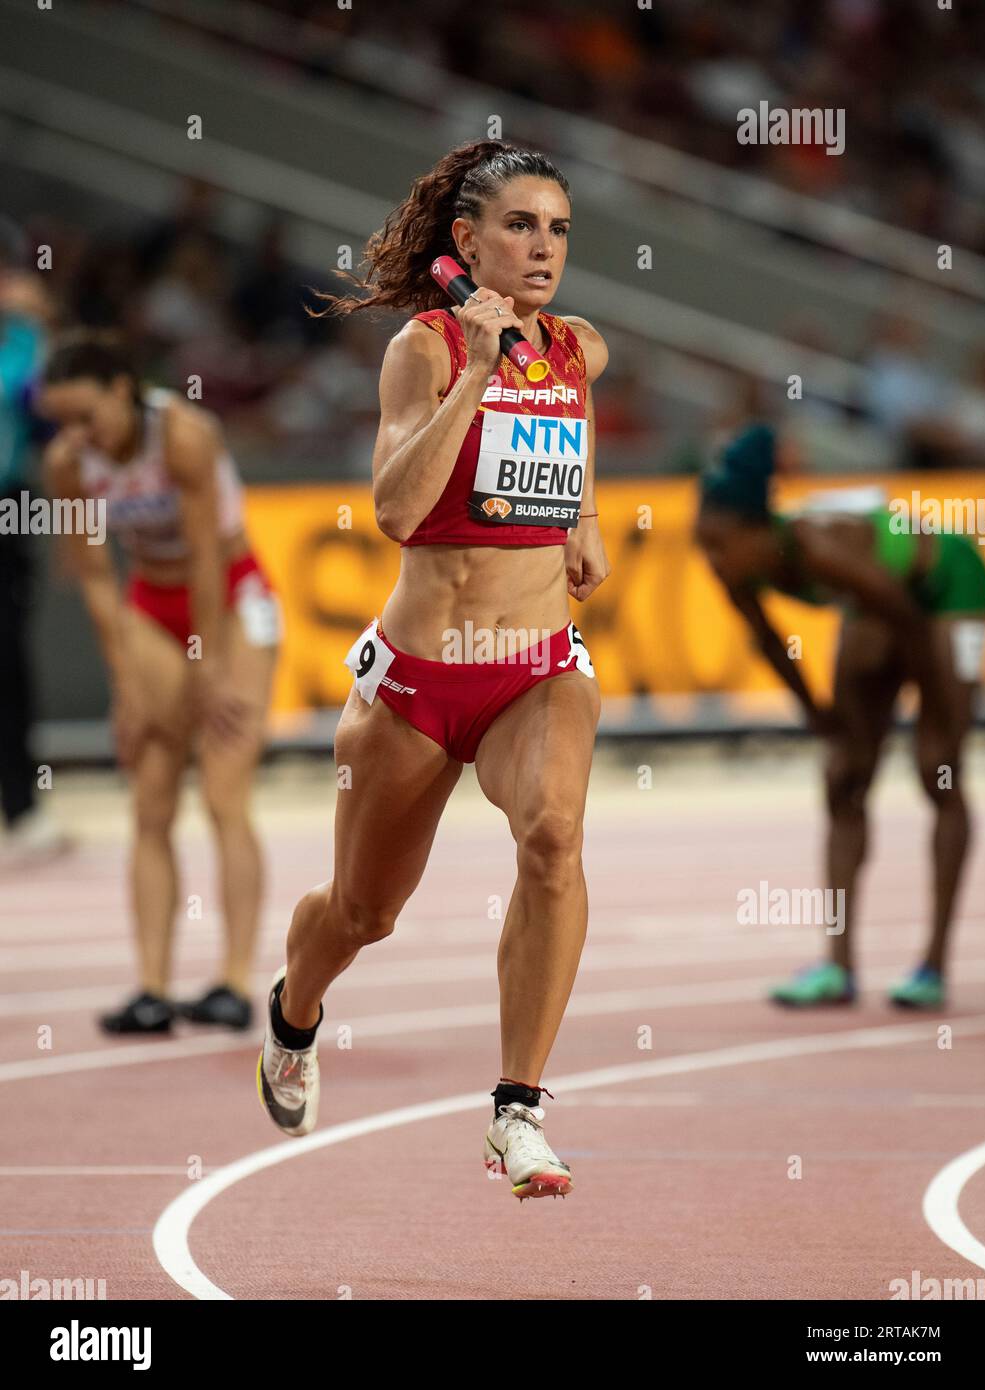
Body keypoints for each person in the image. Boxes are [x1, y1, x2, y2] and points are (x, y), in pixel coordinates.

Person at [257, 140, 610, 1202]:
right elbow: (399, 509)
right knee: (363, 913)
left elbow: (568, 445)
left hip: (534, 666)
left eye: (556, 228)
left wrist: (585, 517)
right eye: (519, 226)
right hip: (417, 679)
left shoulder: (579, 348)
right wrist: (476, 376)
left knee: (552, 835)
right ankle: (292, 1017)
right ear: (467, 239)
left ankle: (517, 1111)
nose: (541, 247)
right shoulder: (422, 350)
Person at [696, 424, 985, 1009]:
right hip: (883, 602)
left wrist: (934, 713)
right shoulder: (735, 566)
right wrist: (821, 717)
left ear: (759, 531)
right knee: (844, 776)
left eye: (723, 545)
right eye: (704, 546)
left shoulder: (818, 546)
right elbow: (771, 644)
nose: (715, 559)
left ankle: (932, 966)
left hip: (947, 585)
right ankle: (838, 968)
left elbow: (908, 619)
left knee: (938, 768)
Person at [38, 330, 281, 1034]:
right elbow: (92, 578)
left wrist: (207, 664)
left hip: (233, 601)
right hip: (149, 605)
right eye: (62, 422)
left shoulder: (185, 435)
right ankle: (150, 986)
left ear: (122, 389)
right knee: (150, 797)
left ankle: (233, 982)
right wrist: (127, 690)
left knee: (224, 793)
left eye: (86, 416)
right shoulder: (67, 465)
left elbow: (207, 553)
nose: (76, 434)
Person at [0, 220, 71, 866]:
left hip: (8, 507)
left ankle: (21, 806)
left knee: (7, 660)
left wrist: (45, 333)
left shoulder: (25, 341)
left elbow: (50, 413)